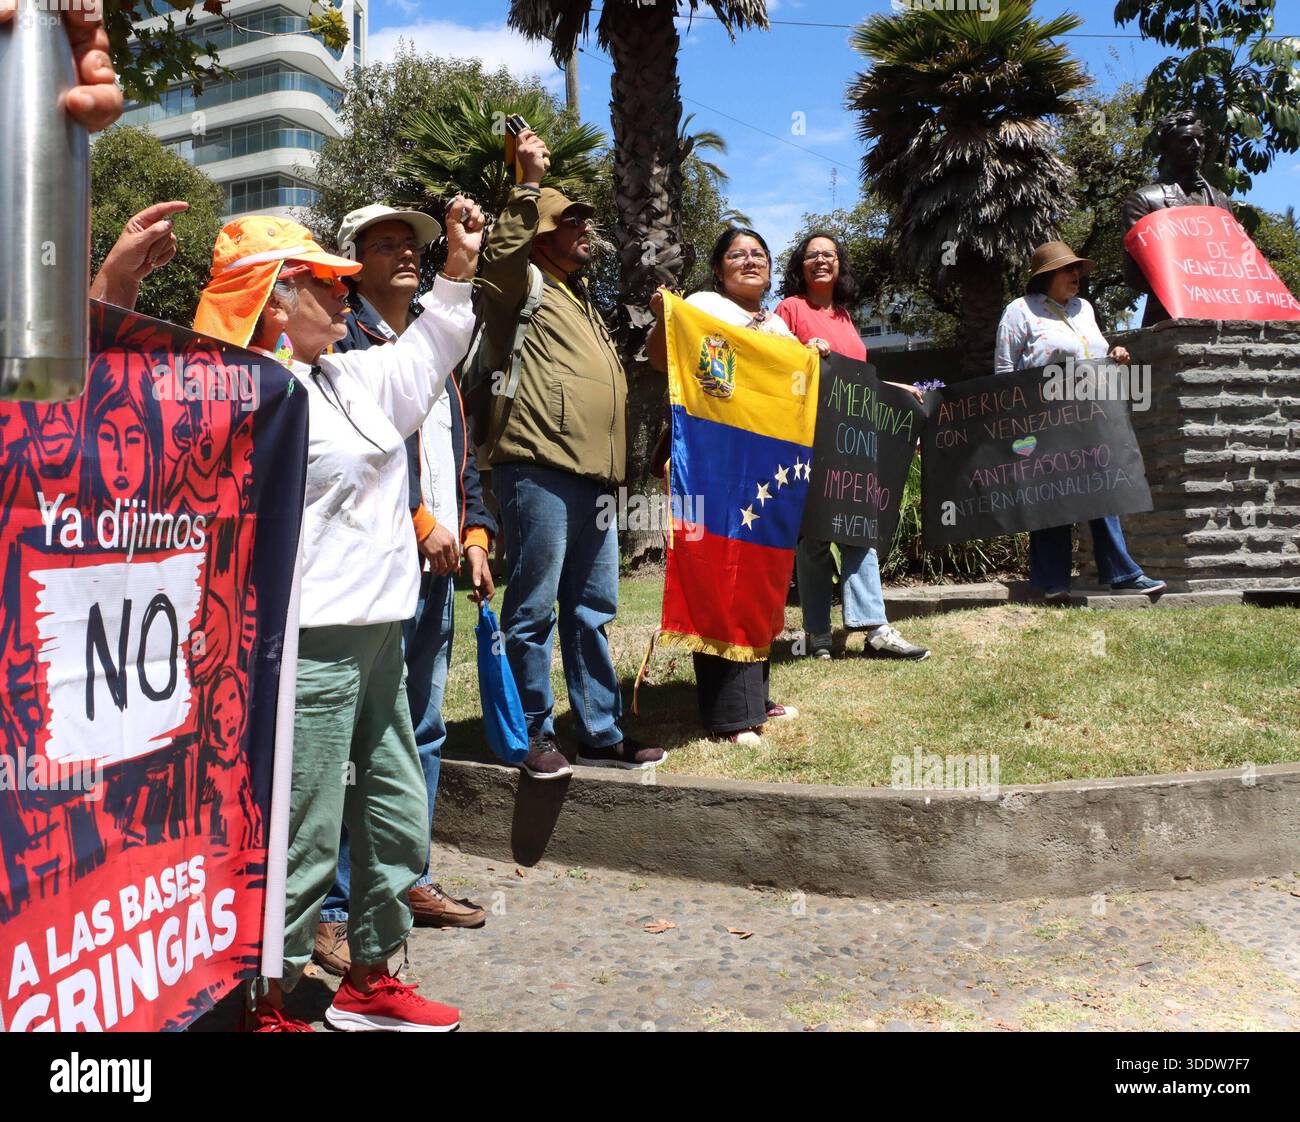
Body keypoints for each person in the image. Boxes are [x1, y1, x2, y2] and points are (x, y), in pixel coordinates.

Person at [191, 203, 483, 1031]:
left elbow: (427, 357)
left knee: (392, 813)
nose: (344, 291)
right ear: (276, 300)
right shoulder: (243, 392)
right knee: (305, 829)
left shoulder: (348, 375)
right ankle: (267, 994)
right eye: (324, 280)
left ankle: (370, 979)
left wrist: (457, 268)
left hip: (381, 634)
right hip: (307, 647)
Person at [310, 204, 496, 978]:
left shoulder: (432, 354)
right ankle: (332, 909)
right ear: (354, 263)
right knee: (349, 750)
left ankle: (402, 880)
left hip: (441, 572)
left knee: (418, 731)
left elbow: (458, 459)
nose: (406, 254)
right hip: (374, 576)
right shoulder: (337, 348)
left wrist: (476, 535)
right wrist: (420, 521)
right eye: (386, 244)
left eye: (413, 245)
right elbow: (362, 464)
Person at [476, 128, 665, 776]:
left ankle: (601, 733)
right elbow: (495, 254)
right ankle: (532, 734)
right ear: (540, 232)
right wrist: (527, 182)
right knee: (531, 608)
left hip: (595, 477)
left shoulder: (578, 296)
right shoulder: (516, 282)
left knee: (592, 610)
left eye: (587, 219)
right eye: (571, 219)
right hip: (537, 467)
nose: (586, 229)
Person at [647, 227, 806, 745]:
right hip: (713, 468)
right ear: (719, 269)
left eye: (759, 253)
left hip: (766, 473)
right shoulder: (704, 307)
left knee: (761, 575)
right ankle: (728, 715)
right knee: (719, 574)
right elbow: (661, 359)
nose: (750, 260)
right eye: (737, 254)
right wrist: (661, 317)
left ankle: (756, 696)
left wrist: (813, 357)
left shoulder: (781, 327)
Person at [774, 232, 930, 662]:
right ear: (800, 266)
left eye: (829, 255)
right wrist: (804, 352)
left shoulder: (844, 317)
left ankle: (874, 627)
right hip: (808, 441)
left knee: (858, 527)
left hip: (851, 442)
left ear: (839, 264)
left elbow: (858, 379)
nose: (821, 261)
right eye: (812, 255)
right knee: (815, 540)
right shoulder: (789, 309)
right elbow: (771, 359)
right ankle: (817, 633)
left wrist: (901, 390)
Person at [994, 241, 1167, 601]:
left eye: (1077, 270)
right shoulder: (1019, 311)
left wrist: (1115, 354)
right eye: (1068, 270)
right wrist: (1013, 418)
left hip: (1090, 412)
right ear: (1046, 276)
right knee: (1053, 493)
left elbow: (1097, 350)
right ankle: (1051, 580)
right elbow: (1005, 368)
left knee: (1102, 488)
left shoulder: (1084, 308)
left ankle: (1122, 573)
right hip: (1043, 414)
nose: (1076, 276)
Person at [1123, 111, 1234, 327]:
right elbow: (1133, 272)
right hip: (1169, 319)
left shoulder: (1221, 200)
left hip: (1226, 316)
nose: (1196, 146)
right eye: (1186, 140)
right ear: (1166, 148)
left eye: (1200, 140)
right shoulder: (1145, 200)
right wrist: (1190, 284)